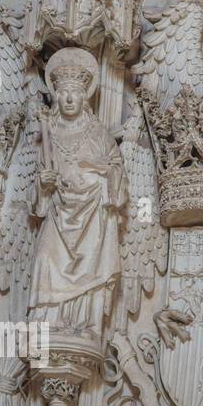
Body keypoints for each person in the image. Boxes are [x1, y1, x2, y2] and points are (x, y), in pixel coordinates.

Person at [30, 47, 126, 333]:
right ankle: (46, 329)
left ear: (85, 97)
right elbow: (37, 200)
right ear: (56, 97)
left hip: (92, 220)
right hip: (58, 217)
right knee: (46, 257)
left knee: (93, 263)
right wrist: (44, 186)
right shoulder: (49, 136)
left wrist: (98, 171)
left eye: (75, 92)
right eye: (62, 92)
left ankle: (86, 325)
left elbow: (116, 173)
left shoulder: (100, 135)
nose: (69, 98)